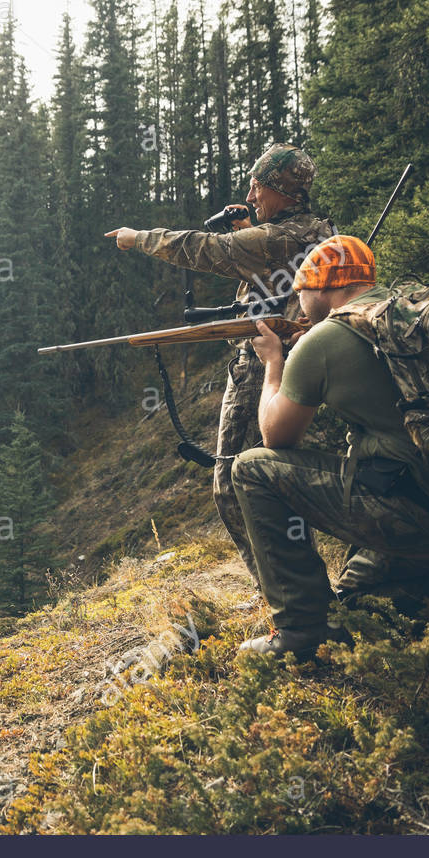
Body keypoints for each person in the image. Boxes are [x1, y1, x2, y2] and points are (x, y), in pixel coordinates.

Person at [231, 234, 429, 658]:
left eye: (303, 290)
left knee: (250, 468)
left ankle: (303, 630)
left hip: (415, 516)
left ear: (325, 285)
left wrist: (274, 364)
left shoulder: (324, 339)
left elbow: (276, 436)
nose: (299, 302)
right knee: (359, 604)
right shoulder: (408, 313)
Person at [106, 144, 335, 594]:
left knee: (232, 483)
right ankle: (300, 594)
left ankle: (288, 599)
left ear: (283, 191)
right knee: (273, 482)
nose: (250, 196)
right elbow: (278, 280)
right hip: (282, 362)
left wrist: (138, 238)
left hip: (264, 367)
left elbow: (205, 249)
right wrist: (251, 234)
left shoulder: (280, 236)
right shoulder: (309, 230)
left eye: (258, 187)